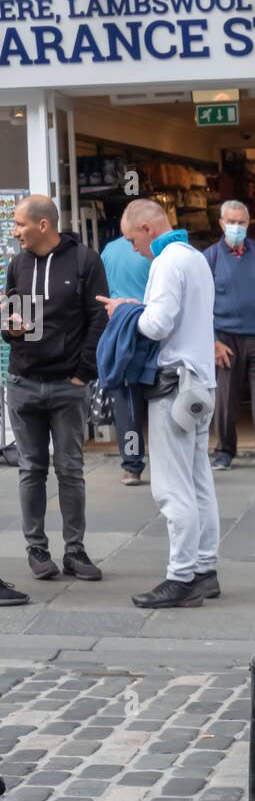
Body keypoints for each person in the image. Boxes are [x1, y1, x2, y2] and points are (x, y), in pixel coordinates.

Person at [97, 199, 220, 609]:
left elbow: (156, 324)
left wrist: (127, 310)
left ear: (148, 229)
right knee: (199, 480)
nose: (132, 249)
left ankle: (180, 577)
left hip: (173, 385)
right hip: (201, 383)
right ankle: (205, 569)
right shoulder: (195, 257)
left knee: (171, 486)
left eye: (133, 239)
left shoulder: (167, 262)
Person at [0, 195, 106, 584]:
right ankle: (37, 550)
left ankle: (75, 551)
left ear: (43, 226)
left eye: (20, 225)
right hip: (24, 382)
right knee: (31, 469)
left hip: (67, 384)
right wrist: (10, 329)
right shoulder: (18, 263)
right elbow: (16, 325)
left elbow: (98, 321)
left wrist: (83, 373)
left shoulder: (84, 262)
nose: (14, 232)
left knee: (71, 470)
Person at [204, 200, 255, 476]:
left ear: (248, 224)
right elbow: (201, 304)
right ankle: (224, 451)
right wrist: (213, 340)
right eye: (231, 222)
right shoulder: (210, 256)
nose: (236, 227)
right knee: (225, 398)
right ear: (221, 223)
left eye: (241, 222)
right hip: (226, 337)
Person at [101, 232, 151, 486]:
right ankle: (172, 463)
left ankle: (132, 467)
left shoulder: (108, 250)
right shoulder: (154, 249)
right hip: (151, 329)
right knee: (161, 399)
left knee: (128, 404)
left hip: (121, 330)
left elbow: (103, 291)